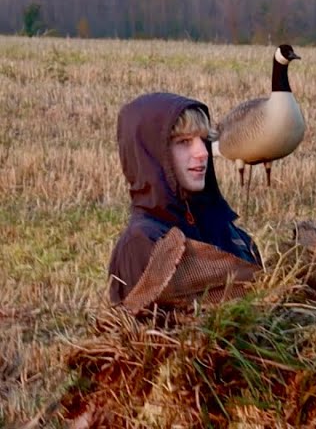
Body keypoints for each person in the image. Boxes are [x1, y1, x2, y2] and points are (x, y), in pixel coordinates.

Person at [108, 92, 261, 306]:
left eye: (204, 139)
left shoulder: (228, 232)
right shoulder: (143, 243)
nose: (203, 153)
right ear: (152, 155)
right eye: (184, 142)